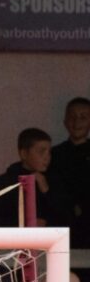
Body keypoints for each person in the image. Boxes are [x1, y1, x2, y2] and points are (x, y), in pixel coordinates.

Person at [0, 127, 68, 228]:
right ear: (24, 154)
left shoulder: (54, 180)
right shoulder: (3, 183)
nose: (47, 157)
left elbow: (66, 217)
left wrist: (47, 191)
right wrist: (24, 223)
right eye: (41, 152)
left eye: (49, 152)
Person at [49, 96, 90, 249]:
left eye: (83, 117)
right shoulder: (53, 154)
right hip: (61, 226)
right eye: (72, 117)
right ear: (65, 121)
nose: (77, 122)